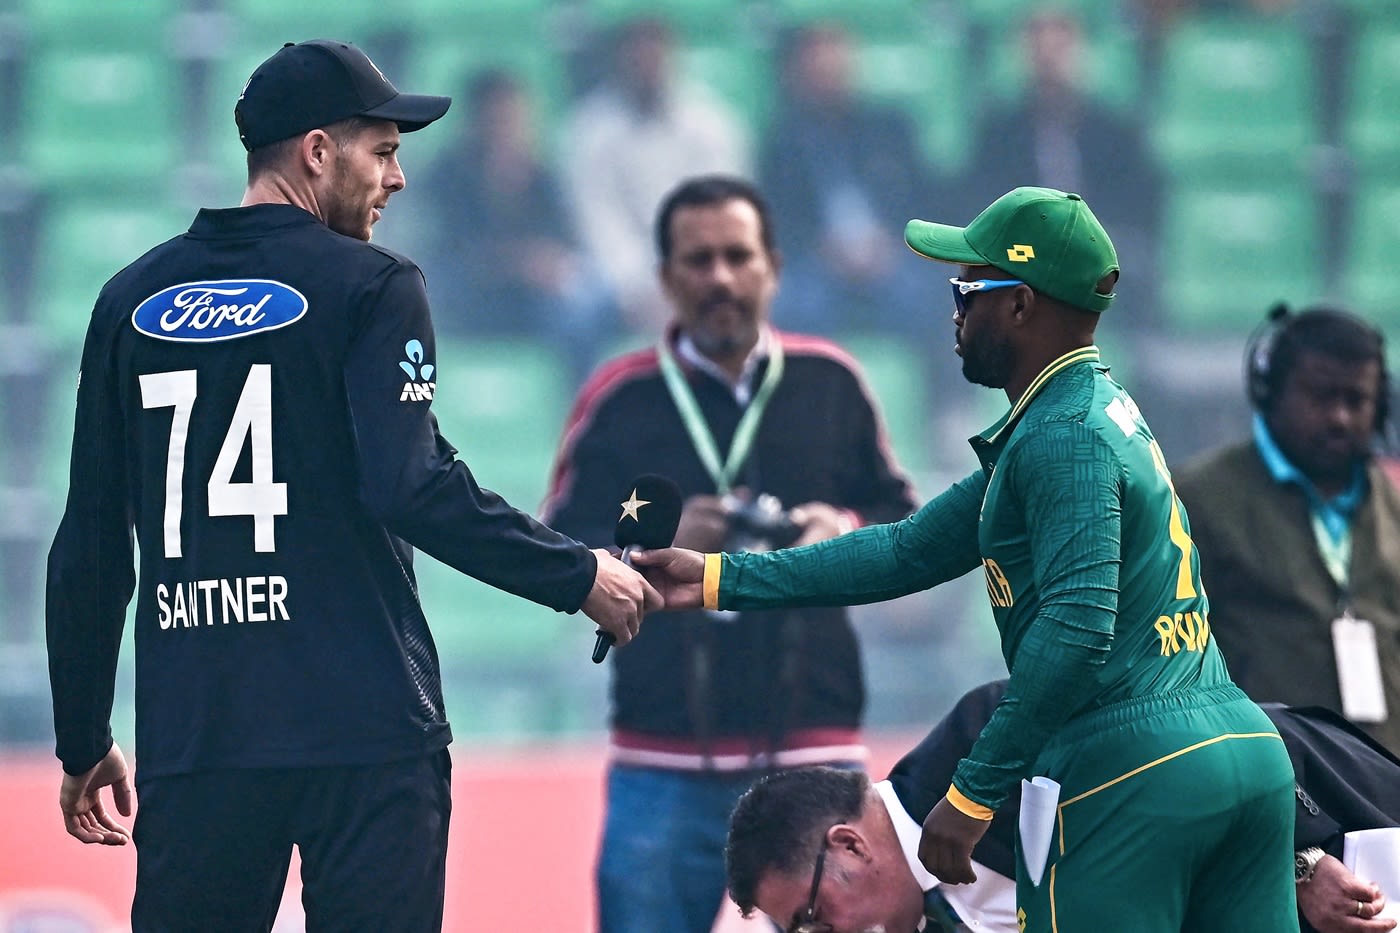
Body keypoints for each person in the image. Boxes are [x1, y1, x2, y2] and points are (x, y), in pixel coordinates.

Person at [44, 39, 660, 932]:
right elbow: (410, 484)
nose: (398, 179)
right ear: (318, 152)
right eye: (385, 150)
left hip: (199, 735)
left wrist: (83, 733)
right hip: (363, 729)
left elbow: (92, 539)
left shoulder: (129, 298)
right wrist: (577, 575)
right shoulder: (375, 285)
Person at [633, 186, 1300, 931]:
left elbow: (1079, 629)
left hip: (1132, 768)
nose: (953, 312)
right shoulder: (1086, 413)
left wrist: (974, 790)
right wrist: (719, 577)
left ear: (1020, 306)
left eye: (967, 290)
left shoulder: (1059, 438)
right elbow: (905, 550)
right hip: (1239, 747)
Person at [540, 174, 918, 933]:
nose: (720, 277)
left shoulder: (830, 382)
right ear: (664, 278)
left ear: (773, 266)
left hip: (813, 742)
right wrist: (657, 546)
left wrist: (838, 526)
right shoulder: (619, 398)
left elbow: (904, 522)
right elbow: (556, 548)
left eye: (737, 256)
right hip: (663, 748)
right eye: (698, 259)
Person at [726, 678, 1400, 933]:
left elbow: (1195, 728)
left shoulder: (987, 744)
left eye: (813, 918)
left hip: (1340, 830)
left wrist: (1299, 859)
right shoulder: (929, 913)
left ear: (848, 843)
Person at [1174, 305, 1400, 753]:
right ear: (1270, 391)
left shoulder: (1392, 503)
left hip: (1383, 783)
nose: (1339, 417)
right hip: (1263, 778)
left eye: (1355, 400)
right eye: (1319, 396)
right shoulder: (1196, 499)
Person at [960, 10, 1161, 322]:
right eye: (1040, 50)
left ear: (1082, 55)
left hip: (1098, 249)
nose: (1050, 62)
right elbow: (984, 208)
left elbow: (1137, 205)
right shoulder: (997, 134)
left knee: (1132, 267)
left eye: (1060, 49)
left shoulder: (1115, 131)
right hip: (1024, 252)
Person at [417, 68, 612, 388]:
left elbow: (564, 236)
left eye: (514, 115)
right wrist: (518, 262)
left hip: (532, 295)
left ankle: (582, 410)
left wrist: (548, 262)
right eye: (498, 116)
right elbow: (450, 249)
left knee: (584, 305)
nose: (508, 126)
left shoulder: (540, 173)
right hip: (470, 292)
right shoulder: (446, 175)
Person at [561, 17, 750, 337]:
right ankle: (589, 388)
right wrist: (638, 287)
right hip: (614, 275)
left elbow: (720, 214)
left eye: (655, 52)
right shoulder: (588, 131)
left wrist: (685, 280)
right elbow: (598, 222)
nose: (646, 63)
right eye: (636, 53)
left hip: (698, 266)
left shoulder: (712, 125)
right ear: (618, 60)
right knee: (577, 309)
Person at [758, 21, 937, 340]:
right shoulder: (781, 142)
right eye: (817, 63)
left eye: (836, 61)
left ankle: (948, 390)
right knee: (793, 304)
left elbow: (924, 198)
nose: (828, 73)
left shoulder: (890, 128)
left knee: (939, 296)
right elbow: (776, 217)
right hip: (816, 260)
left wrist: (892, 240)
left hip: (890, 253)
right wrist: (821, 248)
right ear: (796, 72)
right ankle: (811, 387)